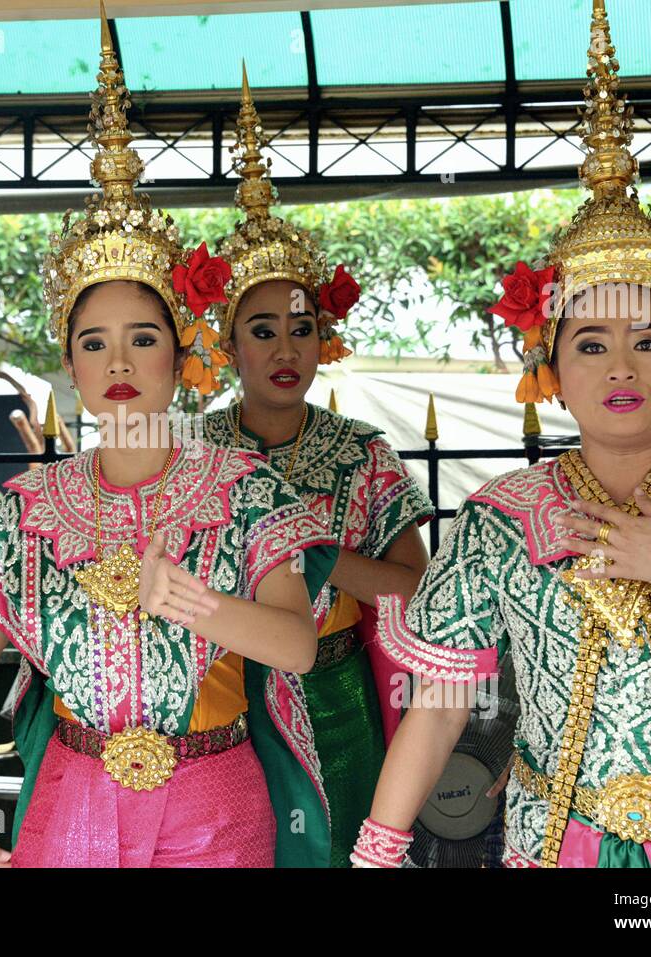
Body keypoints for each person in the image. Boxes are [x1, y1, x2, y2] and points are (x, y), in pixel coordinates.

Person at [352, 0, 651, 869]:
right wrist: (377, 849)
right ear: (553, 368)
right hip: (560, 842)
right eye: (590, 345)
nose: (620, 368)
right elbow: (441, 704)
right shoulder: (500, 518)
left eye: (647, 342)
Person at [0, 5, 338, 868]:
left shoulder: (244, 487)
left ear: (181, 355)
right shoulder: (33, 506)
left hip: (218, 799)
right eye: (93, 342)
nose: (119, 361)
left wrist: (194, 601)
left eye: (142, 338)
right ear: (69, 361)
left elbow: (294, 643)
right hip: (71, 789)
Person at [197, 69, 432, 867]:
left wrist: (321, 556)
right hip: (223, 692)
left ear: (323, 338)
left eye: (301, 327)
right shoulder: (192, 451)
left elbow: (410, 584)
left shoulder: (362, 451)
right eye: (261, 330)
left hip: (336, 692)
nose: (284, 348)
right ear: (227, 346)